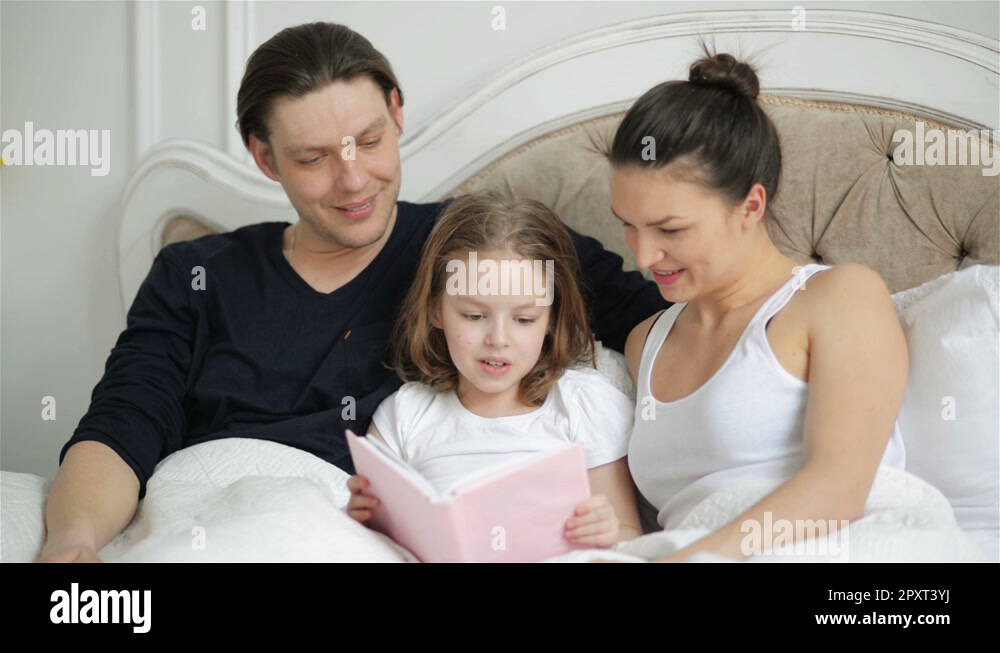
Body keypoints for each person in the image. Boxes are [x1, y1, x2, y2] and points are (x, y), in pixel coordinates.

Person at [38, 22, 666, 562]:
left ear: (397, 111)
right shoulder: (195, 275)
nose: (353, 179)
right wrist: (72, 541)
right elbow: (122, 425)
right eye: (312, 159)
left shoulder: (477, 252)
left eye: (368, 141)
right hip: (209, 514)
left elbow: (662, 327)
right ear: (265, 157)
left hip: (344, 534)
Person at [611, 48, 907, 561]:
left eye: (670, 229)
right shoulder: (646, 343)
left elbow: (839, 491)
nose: (643, 256)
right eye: (628, 225)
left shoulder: (839, 296)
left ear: (751, 205)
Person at [345, 193, 643, 549]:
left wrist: (607, 531)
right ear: (435, 310)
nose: (498, 340)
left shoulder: (585, 405)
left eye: (524, 319)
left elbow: (630, 534)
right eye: (473, 316)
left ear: (551, 318)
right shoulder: (405, 415)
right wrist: (363, 516)